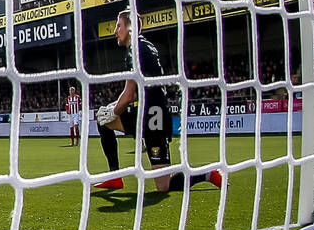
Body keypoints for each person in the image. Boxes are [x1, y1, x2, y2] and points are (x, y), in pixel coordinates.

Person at [93, 10, 222, 193]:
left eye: (118, 25)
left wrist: (114, 110)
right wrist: (114, 107)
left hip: (154, 118)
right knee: (103, 121)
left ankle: (207, 174)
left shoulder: (135, 51)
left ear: (130, 27)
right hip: (147, 114)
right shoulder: (143, 46)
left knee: (163, 186)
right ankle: (114, 177)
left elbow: (129, 95)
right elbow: (139, 93)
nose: (115, 31)